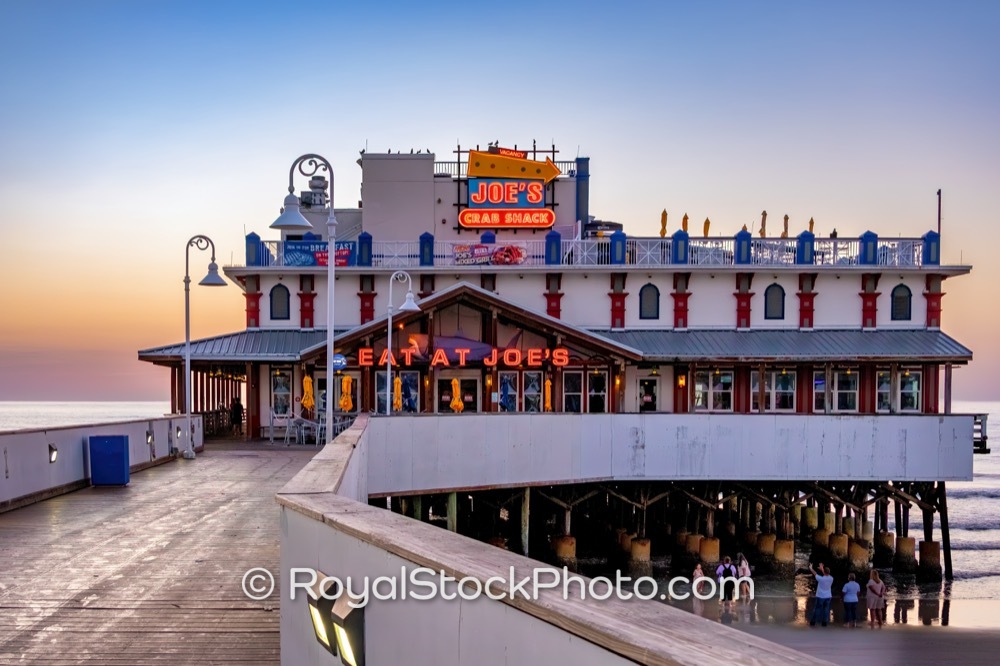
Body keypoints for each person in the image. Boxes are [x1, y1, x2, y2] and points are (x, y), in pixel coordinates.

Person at [808, 562, 834, 626]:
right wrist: (822, 569)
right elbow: (825, 574)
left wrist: (811, 568)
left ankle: (813, 622)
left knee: (817, 609)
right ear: (829, 572)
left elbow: (815, 573)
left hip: (820, 596)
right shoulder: (831, 578)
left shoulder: (821, 579)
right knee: (826, 609)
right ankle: (824, 622)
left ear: (824, 572)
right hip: (828, 596)